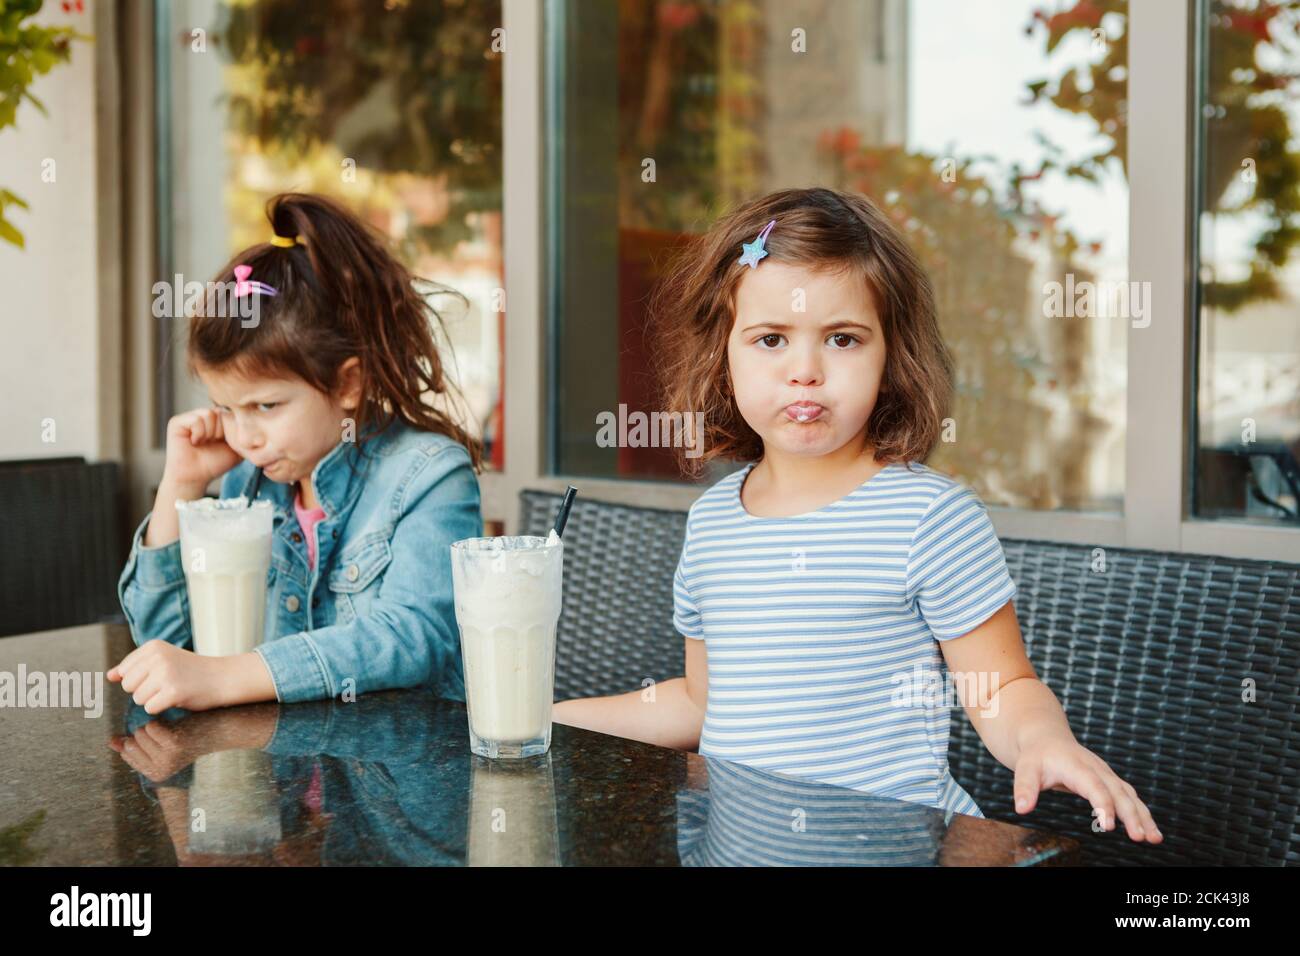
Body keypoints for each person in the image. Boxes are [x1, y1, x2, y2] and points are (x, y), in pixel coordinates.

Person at [553, 186, 1162, 842]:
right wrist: (543, 717)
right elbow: (701, 702)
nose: (805, 371)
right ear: (723, 359)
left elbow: (999, 688)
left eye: (842, 338)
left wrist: (1045, 741)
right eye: (770, 339)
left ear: (889, 358)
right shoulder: (712, 523)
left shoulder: (929, 516)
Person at [112, 192, 483, 713]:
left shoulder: (429, 476)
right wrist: (182, 485)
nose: (245, 437)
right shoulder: (251, 482)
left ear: (347, 384)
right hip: (280, 780)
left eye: (265, 405)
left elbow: (413, 637)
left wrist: (228, 677)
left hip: (392, 782)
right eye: (226, 408)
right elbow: (168, 642)